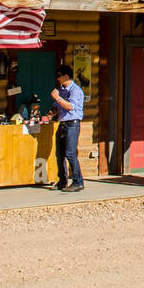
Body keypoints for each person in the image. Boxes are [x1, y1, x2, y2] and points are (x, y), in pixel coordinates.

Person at [51, 64, 85, 192]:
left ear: (66, 76)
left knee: (70, 153)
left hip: (72, 123)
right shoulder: (62, 90)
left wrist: (58, 98)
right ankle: (62, 181)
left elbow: (71, 106)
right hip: (62, 123)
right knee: (59, 154)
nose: (58, 78)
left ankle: (78, 181)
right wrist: (51, 113)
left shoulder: (75, 90)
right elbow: (57, 107)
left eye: (59, 76)